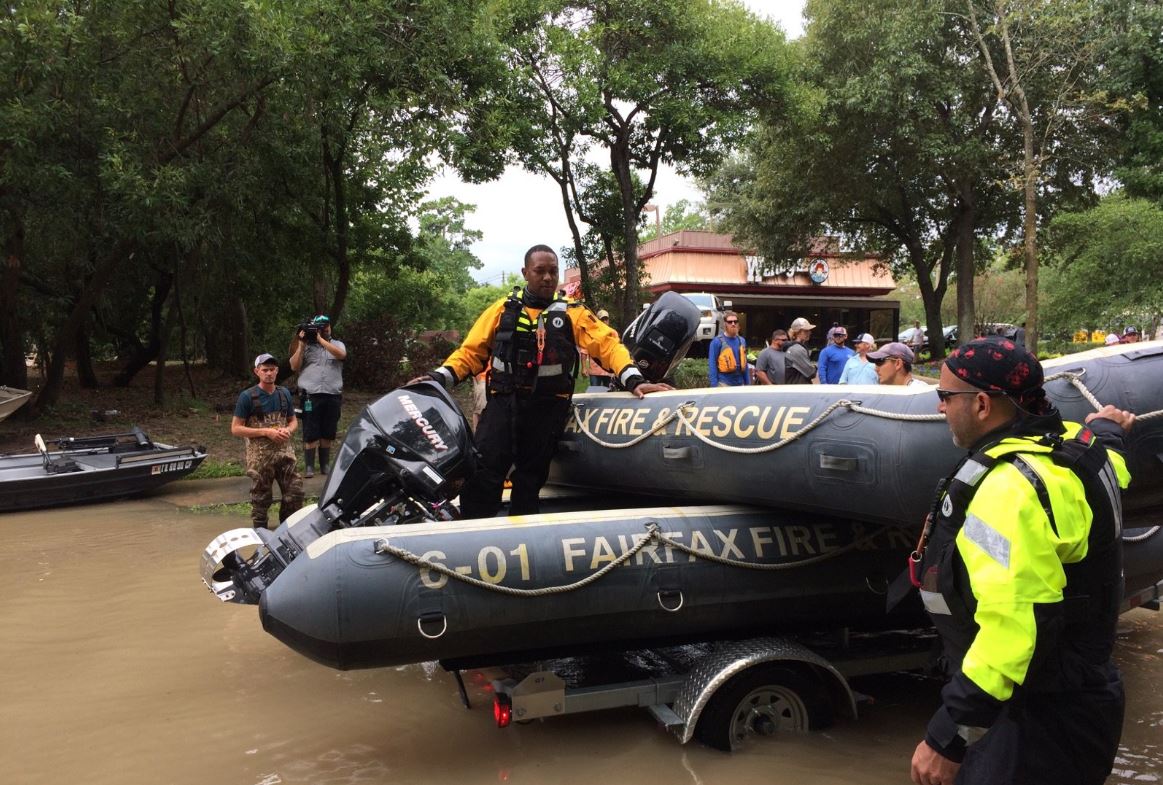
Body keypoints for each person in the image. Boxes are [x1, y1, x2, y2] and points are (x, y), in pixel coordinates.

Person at [909, 336, 1133, 785]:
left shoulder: (1008, 492)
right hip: (1084, 699)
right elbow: (1113, 459)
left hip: (1033, 717)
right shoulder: (1080, 446)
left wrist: (948, 735)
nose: (940, 408)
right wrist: (1107, 427)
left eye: (945, 396)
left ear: (983, 405)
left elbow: (1017, 627)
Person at [411, 244, 672, 519]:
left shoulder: (574, 313)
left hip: (546, 411)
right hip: (503, 405)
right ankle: (474, 533)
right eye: (540, 271)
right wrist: (436, 379)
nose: (547, 277)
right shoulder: (502, 310)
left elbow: (608, 346)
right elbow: (470, 353)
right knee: (483, 473)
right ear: (525, 273)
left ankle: (525, 542)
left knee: (529, 480)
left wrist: (634, 380)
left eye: (553, 271)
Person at [230, 354, 304, 529]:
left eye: (272, 370)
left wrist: (288, 429)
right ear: (257, 371)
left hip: (285, 454)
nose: (269, 373)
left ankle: (287, 531)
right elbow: (235, 428)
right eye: (265, 370)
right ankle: (260, 534)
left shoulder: (284, 393)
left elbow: (293, 421)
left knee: (295, 492)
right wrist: (266, 432)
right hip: (260, 458)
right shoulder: (247, 397)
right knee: (261, 498)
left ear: (277, 371)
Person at [290, 314, 347, 478]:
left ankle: (325, 465)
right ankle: (309, 467)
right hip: (311, 395)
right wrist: (301, 345)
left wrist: (321, 340)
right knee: (310, 430)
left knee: (328, 430)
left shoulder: (337, 344)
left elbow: (342, 355)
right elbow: (294, 366)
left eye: (326, 326)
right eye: (321, 327)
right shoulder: (307, 346)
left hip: (332, 394)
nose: (325, 329)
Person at [708, 311, 749, 387]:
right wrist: (714, 386)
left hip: (740, 384)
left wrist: (748, 384)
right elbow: (712, 365)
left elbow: (745, 365)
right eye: (730, 322)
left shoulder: (742, 341)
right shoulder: (716, 342)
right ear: (725, 324)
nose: (733, 324)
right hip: (724, 384)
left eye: (735, 321)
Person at [580, 309, 616, 388]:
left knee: (610, 395)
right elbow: (584, 351)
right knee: (594, 394)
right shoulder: (590, 334)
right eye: (602, 319)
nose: (604, 321)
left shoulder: (613, 333)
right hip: (595, 372)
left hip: (609, 372)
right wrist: (584, 368)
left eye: (606, 319)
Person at [784, 317, 817, 384]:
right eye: (806, 331)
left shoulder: (792, 347)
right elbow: (811, 373)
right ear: (797, 332)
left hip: (793, 386)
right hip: (798, 388)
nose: (809, 333)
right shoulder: (797, 349)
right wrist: (815, 367)